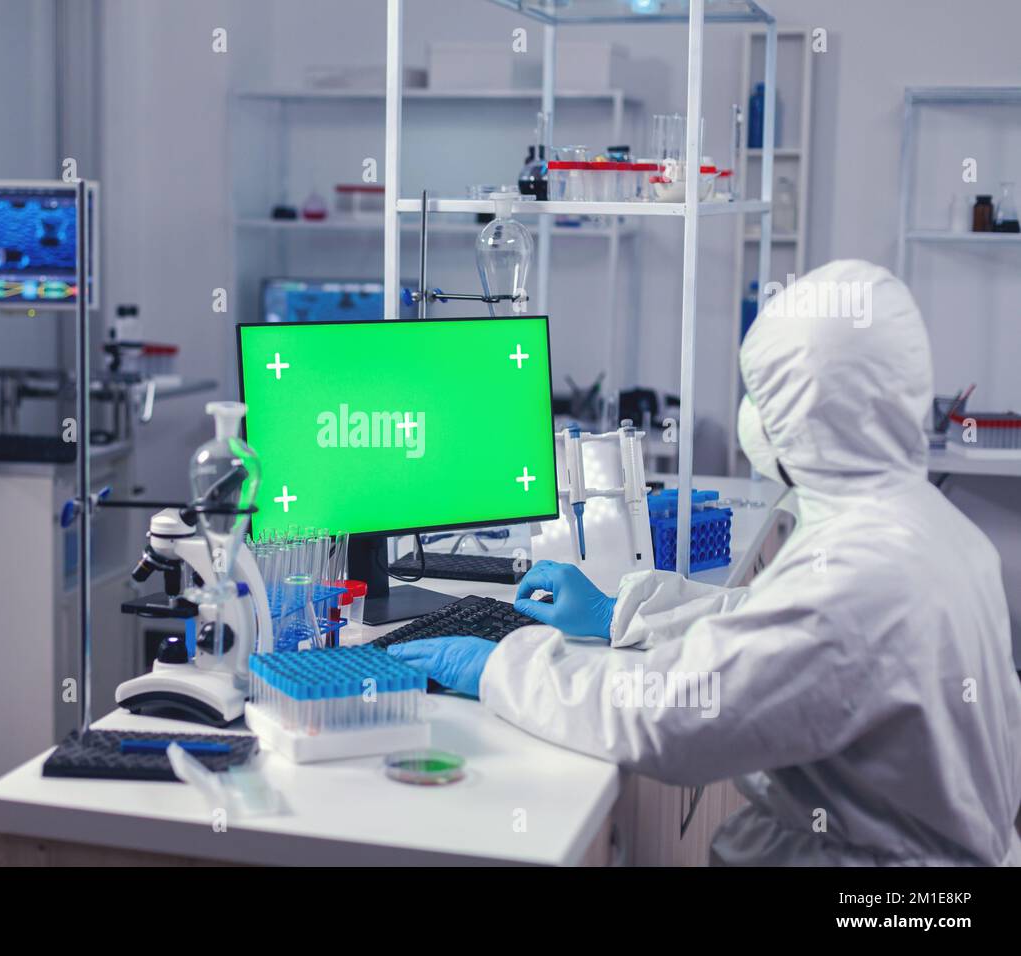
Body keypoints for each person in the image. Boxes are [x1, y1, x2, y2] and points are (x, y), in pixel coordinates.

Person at [390, 260, 1021, 866]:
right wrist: (626, 611)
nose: (751, 413)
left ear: (810, 415)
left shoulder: (860, 575)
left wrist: (505, 666)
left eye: (763, 395)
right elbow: (771, 625)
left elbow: (671, 714)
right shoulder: (929, 526)